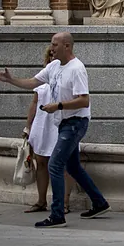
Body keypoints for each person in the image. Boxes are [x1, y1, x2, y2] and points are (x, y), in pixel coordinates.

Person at [0, 32, 110, 228]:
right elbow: (33, 83)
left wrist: (58, 106)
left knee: (55, 165)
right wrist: (11, 80)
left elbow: (84, 100)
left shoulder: (77, 69)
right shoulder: (54, 66)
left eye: (55, 44)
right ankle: (99, 203)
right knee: (72, 167)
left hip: (75, 123)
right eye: (51, 44)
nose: (51, 48)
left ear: (67, 46)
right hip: (64, 123)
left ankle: (57, 215)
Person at [21, 44, 77, 214]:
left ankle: (64, 202)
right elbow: (34, 103)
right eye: (50, 56)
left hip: (59, 123)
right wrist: (28, 126)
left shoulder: (69, 73)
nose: (53, 58)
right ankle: (41, 200)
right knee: (41, 162)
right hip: (42, 123)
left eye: (55, 55)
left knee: (63, 164)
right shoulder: (43, 78)